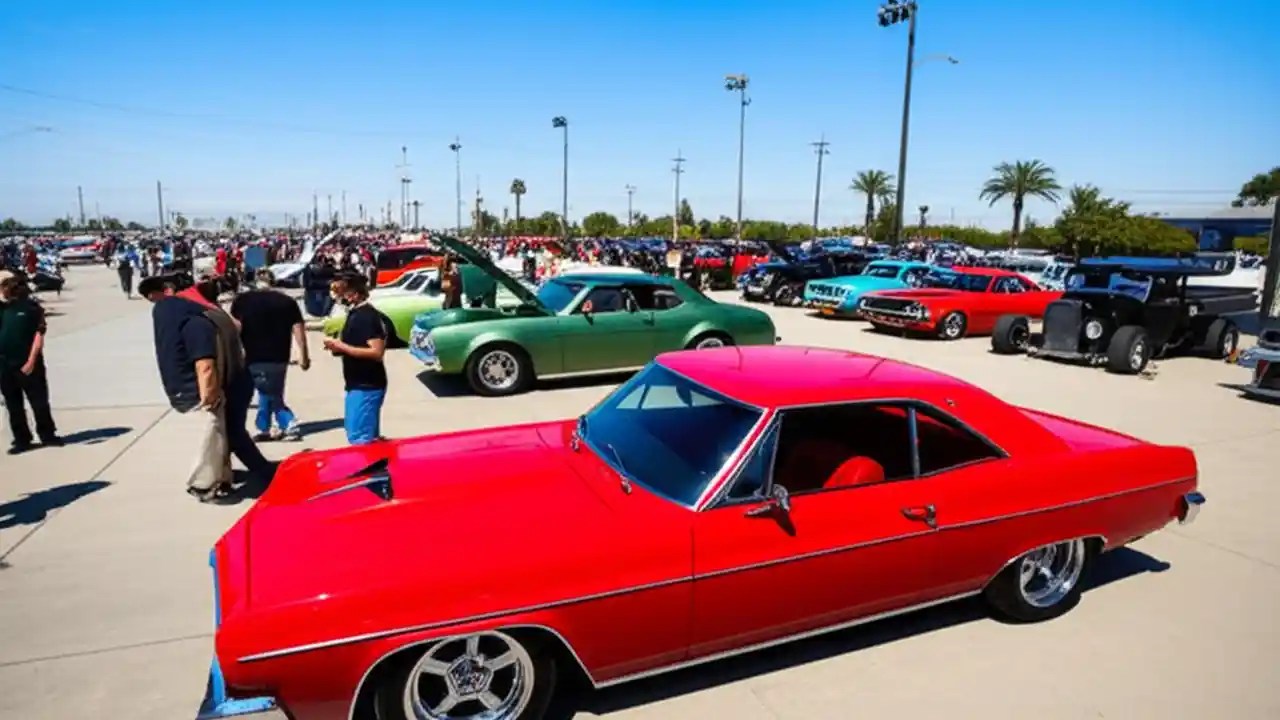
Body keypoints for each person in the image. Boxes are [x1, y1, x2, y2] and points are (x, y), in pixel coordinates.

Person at [140, 275, 234, 500]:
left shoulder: (163, 314)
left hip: (176, 385)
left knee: (215, 439)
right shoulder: (197, 322)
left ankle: (221, 477)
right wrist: (208, 396)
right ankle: (204, 483)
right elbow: (205, 365)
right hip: (197, 391)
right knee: (211, 438)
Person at [229, 271, 309, 442]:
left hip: (254, 355)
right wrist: (303, 354)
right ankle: (263, 427)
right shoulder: (287, 301)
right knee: (270, 391)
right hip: (280, 356)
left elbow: (235, 328)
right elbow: (298, 328)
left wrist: (233, 352)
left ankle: (288, 422)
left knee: (269, 393)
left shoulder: (242, 301)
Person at [323, 274, 388, 445]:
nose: (339, 297)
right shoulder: (354, 314)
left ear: (355, 294)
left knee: (360, 438)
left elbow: (376, 352)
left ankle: (368, 470)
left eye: (342, 292)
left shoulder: (367, 316)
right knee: (364, 437)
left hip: (367, 385)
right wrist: (338, 348)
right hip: (356, 383)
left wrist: (341, 346)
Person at [0, 276, 60, 454]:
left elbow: (38, 335)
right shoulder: (3, 310)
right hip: (4, 364)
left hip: (29, 363)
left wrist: (31, 360)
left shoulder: (33, 309)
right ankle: (22, 439)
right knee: (13, 404)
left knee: (39, 401)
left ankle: (48, 435)